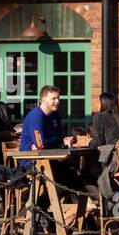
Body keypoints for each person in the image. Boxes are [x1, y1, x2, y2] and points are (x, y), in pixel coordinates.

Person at [18, 85, 88, 227]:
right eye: (53, 98)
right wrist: (53, 142)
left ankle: (40, 207)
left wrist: (58, 141)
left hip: (52, 158)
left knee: (76, 181)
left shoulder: (56, 115)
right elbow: (41, 145)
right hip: (32, 161)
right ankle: (32, 209)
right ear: (43, 99)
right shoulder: (36, 116)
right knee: (60, 179)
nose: (57, 101)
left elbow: (57, 139)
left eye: (58, 98)